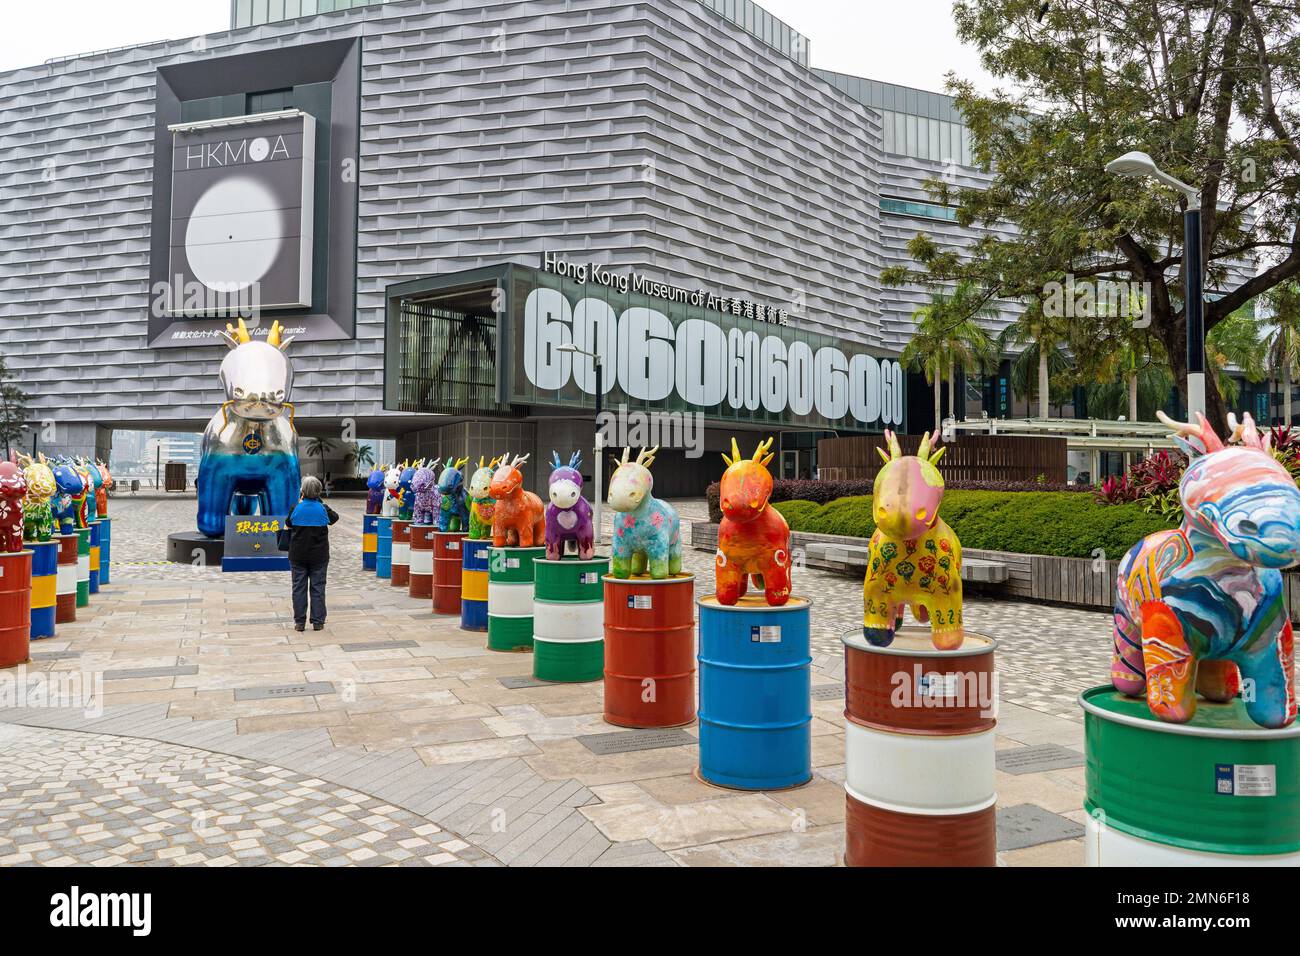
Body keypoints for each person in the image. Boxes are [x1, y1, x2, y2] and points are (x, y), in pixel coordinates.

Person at [285, 475, 339, 631]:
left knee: (298, 588)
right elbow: (335, 518)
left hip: (297, 556)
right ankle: (318, 621)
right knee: (318, 587)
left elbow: (288, 524)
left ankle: (299, 622)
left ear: (302, 491)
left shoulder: (295, 509)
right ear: (319, 492)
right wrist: (319, 500)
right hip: (319, 556)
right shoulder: (323, 509)